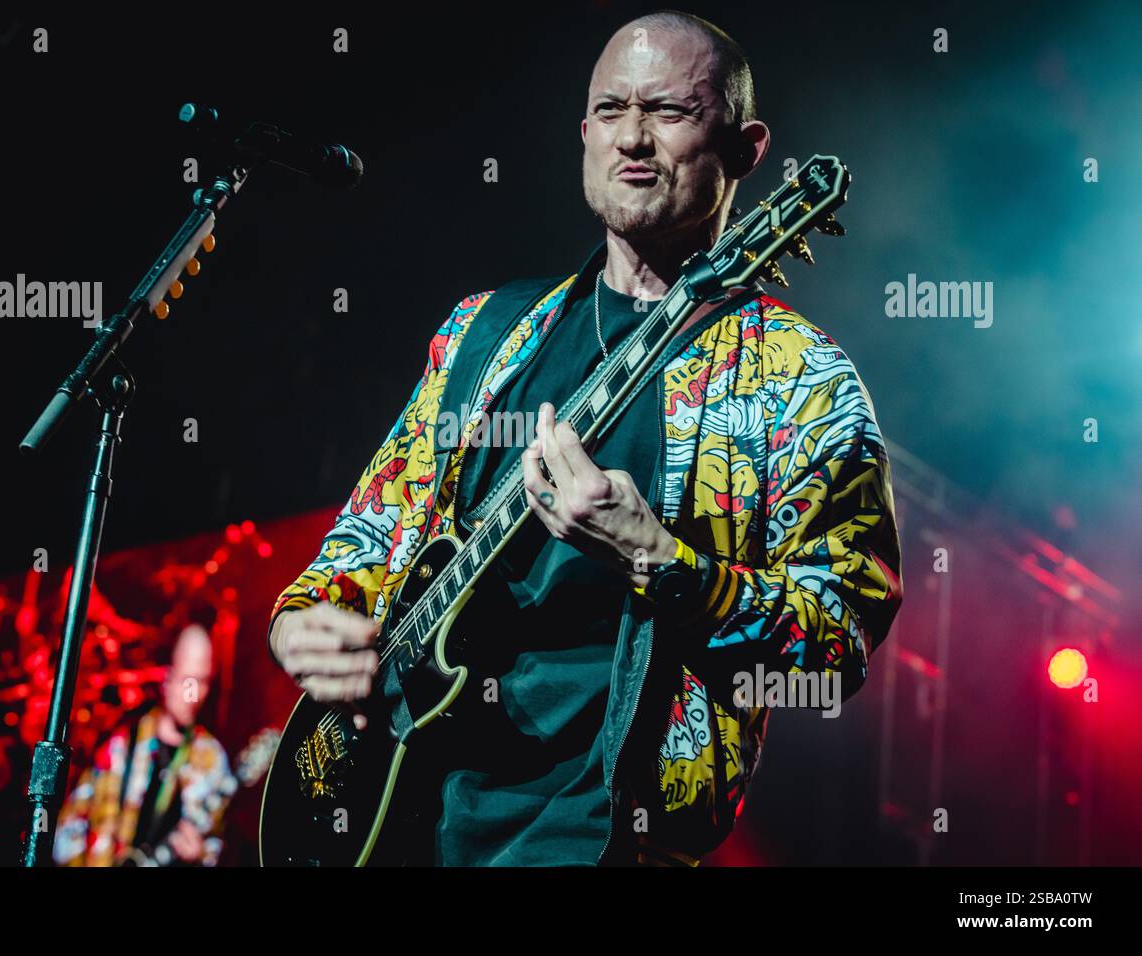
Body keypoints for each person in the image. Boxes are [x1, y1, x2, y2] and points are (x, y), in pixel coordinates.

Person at [268, 11, 902, 865]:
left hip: (601, 831)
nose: (633, 138)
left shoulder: (798, 379)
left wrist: (665, 565)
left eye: (671, 111)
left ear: (747, 149)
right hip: (404, 809)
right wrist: (306, 621)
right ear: (583, 133)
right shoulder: (486, 331)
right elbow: (373, 530)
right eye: (611, 110)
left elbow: (840, 635)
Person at [53, 624, 236, 866]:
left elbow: (216, 847)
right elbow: (66, 832)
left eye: (202, 682)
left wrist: (199, 856)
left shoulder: (213, 760)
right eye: (187, 681)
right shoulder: (121, 746)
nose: (194, 695)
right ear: (166, 677)